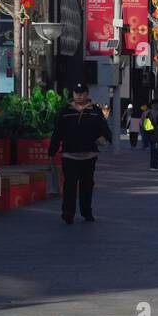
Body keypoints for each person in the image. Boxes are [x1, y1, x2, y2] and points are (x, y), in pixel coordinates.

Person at [48, 82, 112, 224]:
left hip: (89, 155)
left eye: (82, 93)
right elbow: (58, 132)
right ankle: (68, 213)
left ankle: (86, 212)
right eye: (77, 93)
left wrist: (107, 137)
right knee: (69, 185)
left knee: (87, 185)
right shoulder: (65, 111)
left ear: (87, 94)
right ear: (73, 94)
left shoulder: (95, 111)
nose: (79, 95)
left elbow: (104, 128)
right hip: (69, 154)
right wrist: (52, 150)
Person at [142, 102, 158, 171]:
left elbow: (143, 121)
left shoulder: (148, 112)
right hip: (156, 134)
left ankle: (152, 165)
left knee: (153, 151)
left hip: (150, 133)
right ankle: (154, 166)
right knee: (156, 151)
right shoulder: (156, 113)